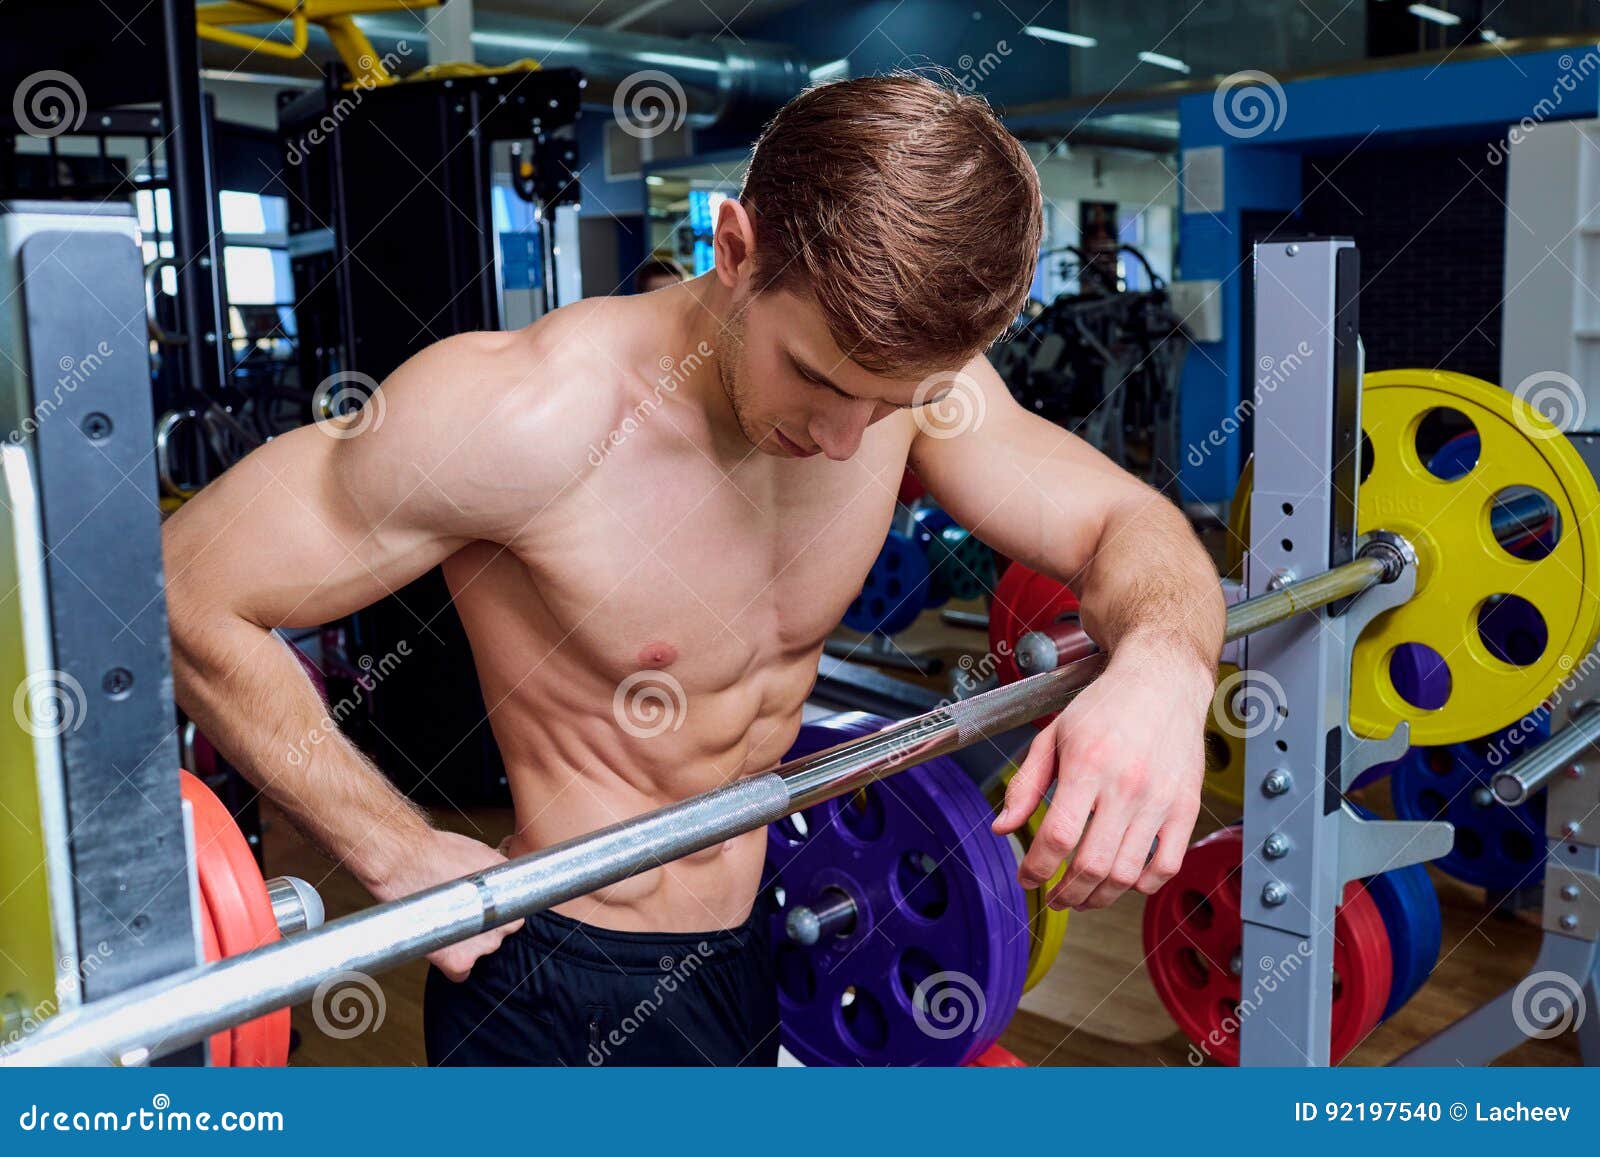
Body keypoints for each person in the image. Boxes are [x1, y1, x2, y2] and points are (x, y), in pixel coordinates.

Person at [162, 73, 1224, 1067]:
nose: (849, 442)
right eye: (812, 375)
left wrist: (1165, 668)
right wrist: (390, 844)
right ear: (734, 247)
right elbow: (188, 587)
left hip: (761, 931)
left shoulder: (916, 384)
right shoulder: (528, 419)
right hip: (558, 975)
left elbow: (1120, 520)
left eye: (892, 405)